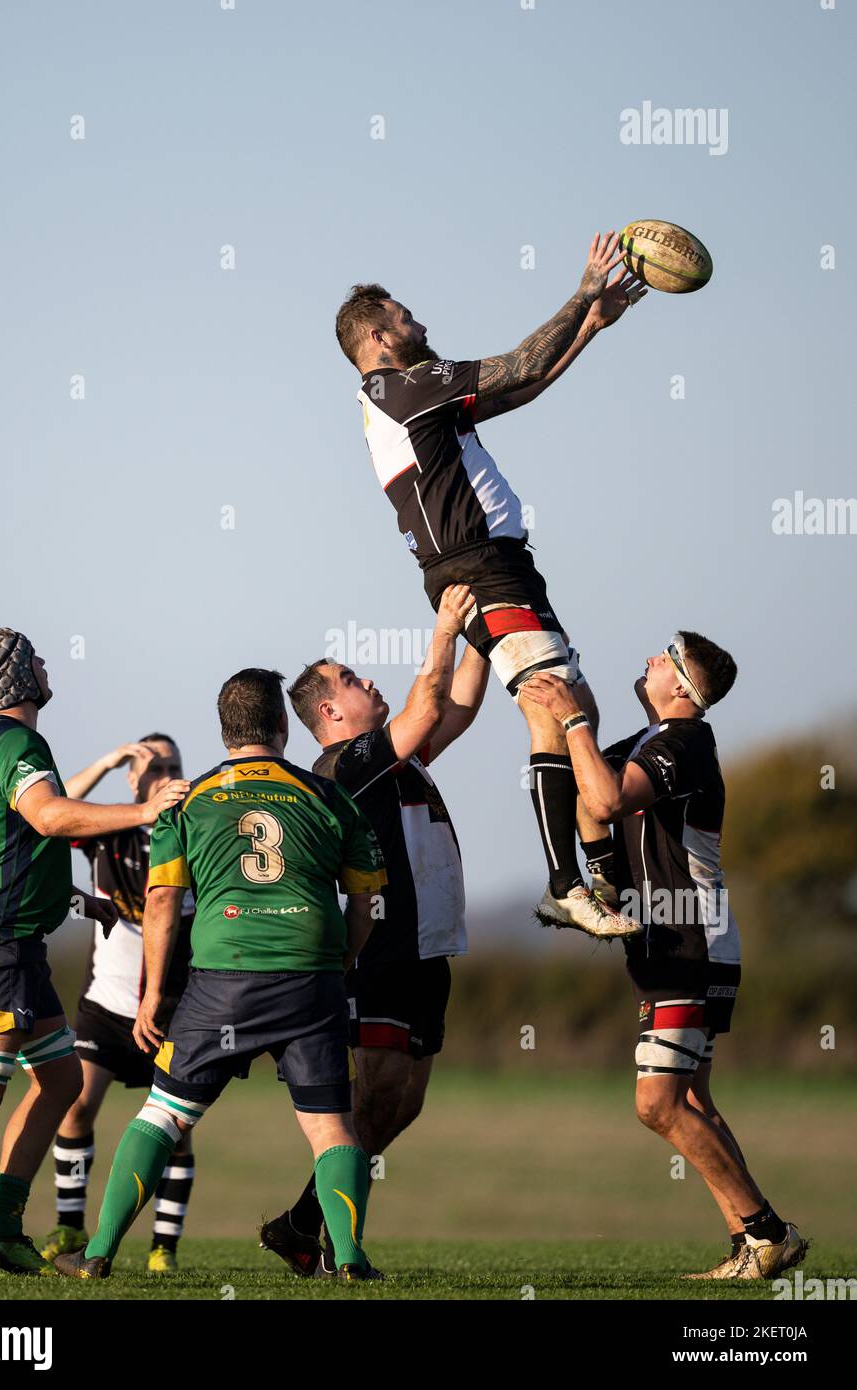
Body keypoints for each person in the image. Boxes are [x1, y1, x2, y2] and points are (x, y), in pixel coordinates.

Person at [335, 240, 647, 939]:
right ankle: (570, 884)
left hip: (498, 565)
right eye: (408, 318)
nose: (421, 325)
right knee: (553, 706)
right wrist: (583, 289)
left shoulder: (415, 402)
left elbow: (522, 386)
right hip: (477, 568)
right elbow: (520, 360)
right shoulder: (399, 387)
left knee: (577, 710)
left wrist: (590, 328)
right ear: (381, 337)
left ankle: (592, 877)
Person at [54, 668, 388, 1285]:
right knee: (332, 1129)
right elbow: (368, 905)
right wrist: (339, 965)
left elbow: (161, 904)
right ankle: (348, 1260)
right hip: (310, 981)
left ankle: (97, 1252)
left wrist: (152, 994)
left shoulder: (191, 800)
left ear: (225, 730)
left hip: (219, 983)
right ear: (284, 726)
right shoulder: (329, 796)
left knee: (163, 1115)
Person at [521, 632, 807, 1279]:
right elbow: (584, 777)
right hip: (679, 941)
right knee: (694, 1100)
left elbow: (603, 798)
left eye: (663, 656)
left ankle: (769, 1234)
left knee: (657, 1103)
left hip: (689, 945)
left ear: (680, 685)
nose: (650, 659)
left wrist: (568, 715)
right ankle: (751, 1248)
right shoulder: (655, 743)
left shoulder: (682, 743)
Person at [0, 628, 187, 1277]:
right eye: (33, 657)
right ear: (15, 678)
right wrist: (142, 811)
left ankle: (2, 1228)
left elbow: (50, 811)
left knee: (61, 1081)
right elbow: (50, 817)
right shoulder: (15, 740)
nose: (44, 663)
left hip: (16, 952)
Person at [260, 586, 488, 1276]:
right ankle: (334, 1241)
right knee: (374, 1092)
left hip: (427, 950)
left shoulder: (395, 756)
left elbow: (463, 704)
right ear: (329, 711)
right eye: (354, 681)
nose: (369, 682)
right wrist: (445, 627)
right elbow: (425, 708)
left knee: (403, 1101)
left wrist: (486, 628)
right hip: (380, 951)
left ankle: (302, 1224)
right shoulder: (343, 766)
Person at [41, 735, 197, 1273]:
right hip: (105, 1002)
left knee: (174, 1127)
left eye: (172, 765)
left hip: (173, 1004)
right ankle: (69, 1223)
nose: (163, 774)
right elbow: (51, 812)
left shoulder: (193, 828)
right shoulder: (110, 826)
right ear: (132, 779)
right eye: (150, 766)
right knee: (77, 1105)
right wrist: (108, 760)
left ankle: (164, 1248)